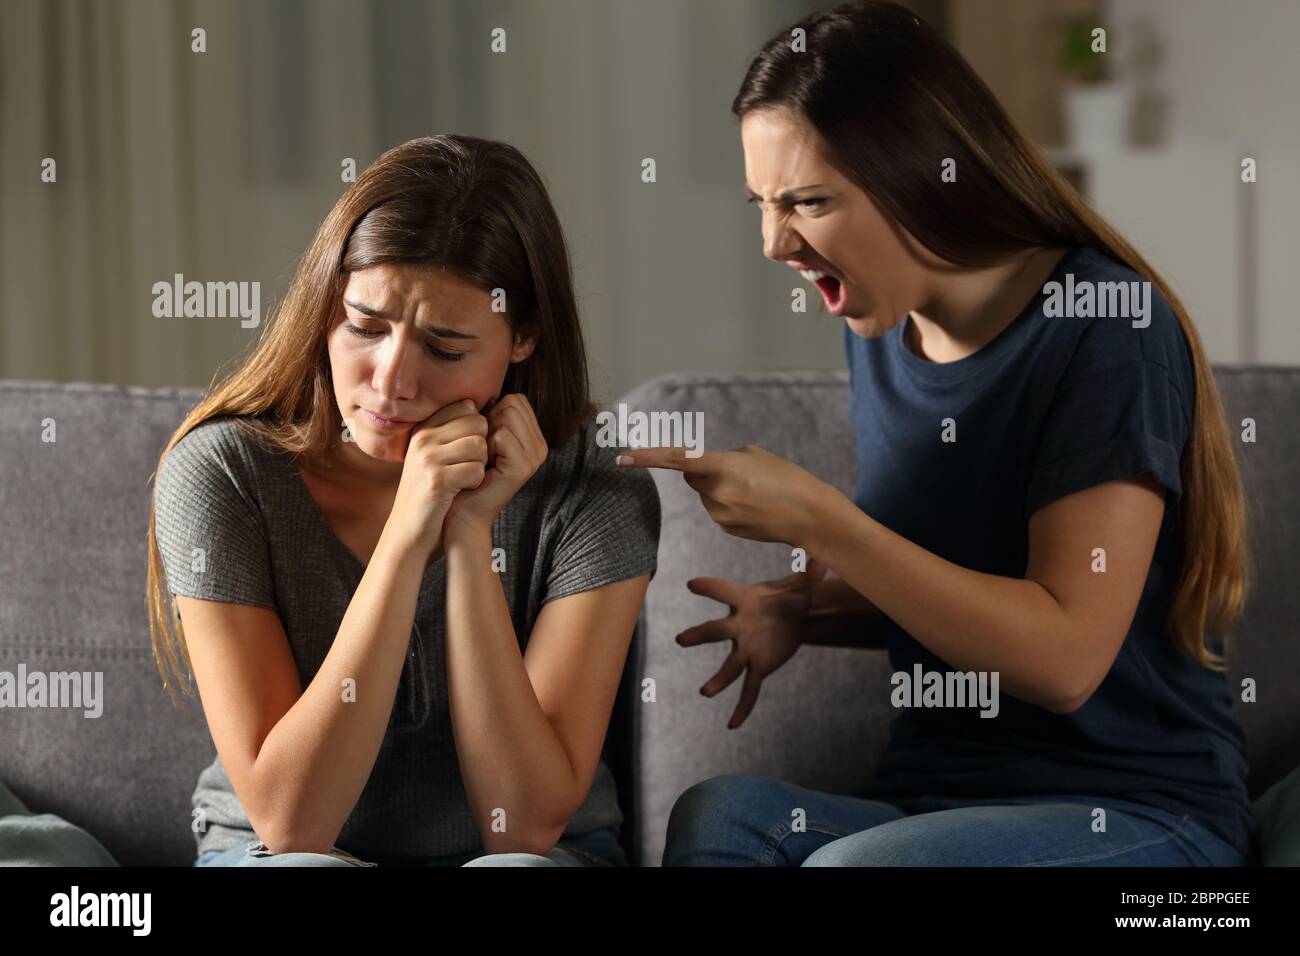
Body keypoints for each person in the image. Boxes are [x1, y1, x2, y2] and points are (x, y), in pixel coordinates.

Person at [619, 1, 1254, 867]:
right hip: (936, 801)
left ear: (920, 174)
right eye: (762, 204)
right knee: (721, 816)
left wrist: (819, 521)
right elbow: (960, 576)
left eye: (807, 200)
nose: (774, 242)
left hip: (1136, 812)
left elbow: (1066, 658)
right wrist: (803, 610)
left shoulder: (1105, 325)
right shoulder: (884, 332)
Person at [148, 135, 660, 867]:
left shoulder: (596, 488)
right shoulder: (222, 475)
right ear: (325, 306)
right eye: (364, 326)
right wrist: (406, 537)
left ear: (523, 340)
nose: (391, 383)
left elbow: (522, 828)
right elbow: (293, 823)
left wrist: (469, 531)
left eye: (445, 348)